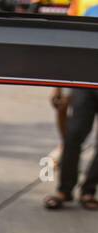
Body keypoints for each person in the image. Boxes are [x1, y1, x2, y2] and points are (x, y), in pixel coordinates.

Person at [44, 0, 98, 210]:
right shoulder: (83, 2)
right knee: (73, 135)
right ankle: (65, 190)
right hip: (84, 81)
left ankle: (88, 191)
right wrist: (58, 86)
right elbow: (66, 41)